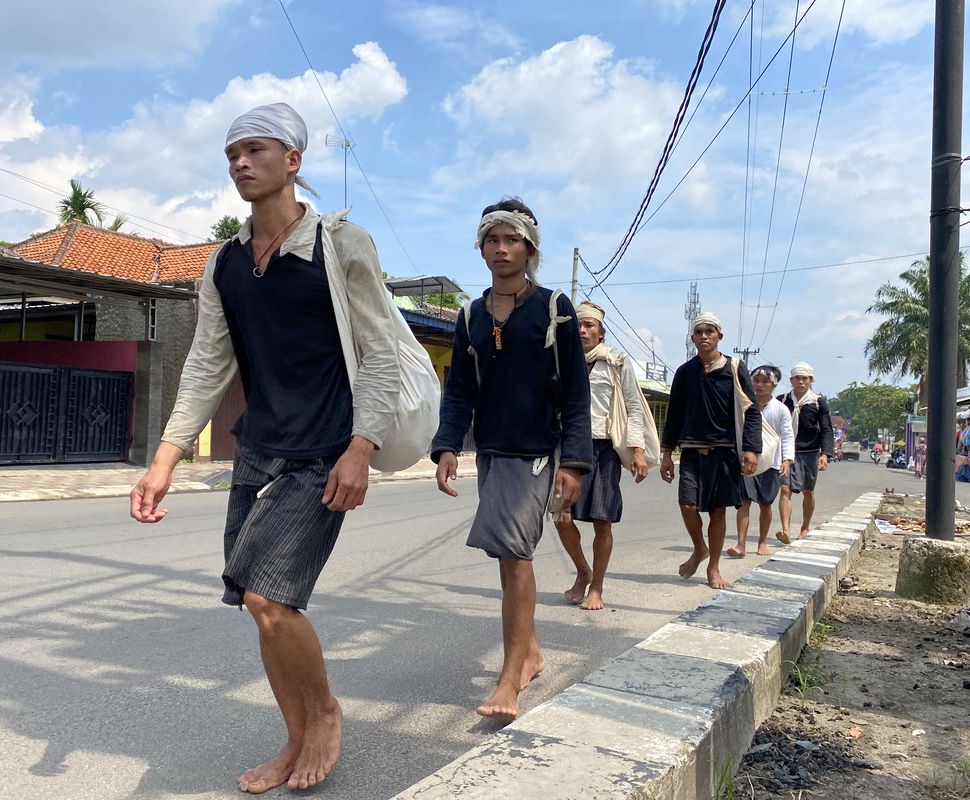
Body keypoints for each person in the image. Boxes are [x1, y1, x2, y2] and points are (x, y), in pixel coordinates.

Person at [128, 102, 400, 794]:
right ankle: (294, 735)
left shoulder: (341, 246)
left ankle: (327, 716)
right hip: (259, 451)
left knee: (269, 601)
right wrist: (164, 460)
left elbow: (381, 355)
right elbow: (206, 364)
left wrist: (361, 447)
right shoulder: (222, 264)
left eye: (255, 149)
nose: (241, 163)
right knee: (264, 606)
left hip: (324, 452)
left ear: (293, 161)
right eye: (231, 155)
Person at [432, 197, 591, 722]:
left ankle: (509, 678)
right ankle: (533, 653)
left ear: (530, 248)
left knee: (516, 557)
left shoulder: (555, 308)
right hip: (493, 452)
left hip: (537, 454)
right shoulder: (471, 314)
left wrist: (574, 462)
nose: (501, 249)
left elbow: (575, 393)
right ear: (481, 248)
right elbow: (459, 390)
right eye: (492, 240)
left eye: (511, 240)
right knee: (507, 556)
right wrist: (448, 444)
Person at [553, 300, 651, 611]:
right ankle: (583, 571)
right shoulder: (559, 360)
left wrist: (637, 450)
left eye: (589, 325)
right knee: (561, 517)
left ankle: (597, 587)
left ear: (601, 332)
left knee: (602, 522)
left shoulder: (617, 362)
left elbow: (634, 408)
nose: (582, 330)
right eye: (578, 325)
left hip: (603, 448)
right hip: (567, 447)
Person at [660, 312, 762, 589]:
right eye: (699, 332)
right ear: (692, 338)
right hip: (691, 452)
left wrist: (751, 450)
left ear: (719, 336)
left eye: (710, 331)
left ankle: (713, 568)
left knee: (718, 513)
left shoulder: (734, 368)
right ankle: (699, 548)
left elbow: (752, 412)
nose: (704, 336)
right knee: (687, 506)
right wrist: (667, 454)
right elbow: (674, 415)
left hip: (723, 453)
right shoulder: (684, 373)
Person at [728, 365, 794, 558]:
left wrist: (787, 460)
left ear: (774, 385)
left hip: (771, 463)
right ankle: (741, 544)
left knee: (765, 504)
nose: (759, 385)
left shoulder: (781, 410)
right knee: (744, 502)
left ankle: (762, 542)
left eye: (765, 382)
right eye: (756, 381)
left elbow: (787, 436)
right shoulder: (744, 405)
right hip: (747, 460)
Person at [776, 362, 833, 543]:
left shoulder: (817, 402)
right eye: (797, 378)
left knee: (808, 491)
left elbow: (826, 429)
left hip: (809, 451)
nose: (801, 382)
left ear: (811, 381)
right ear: (791, 380)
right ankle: (786, 530)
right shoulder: (782, 401)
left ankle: (805, 527)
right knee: (785, 489)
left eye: (805, 378)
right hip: (787, 451)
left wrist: (825, 454)